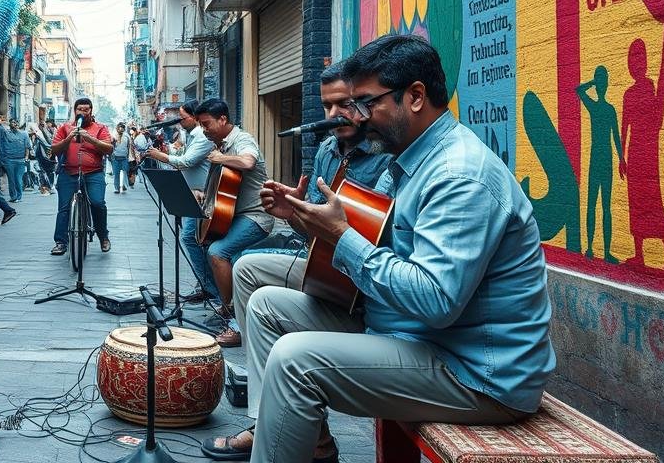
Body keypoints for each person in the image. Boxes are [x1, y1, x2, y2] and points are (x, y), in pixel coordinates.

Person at [202, 34, 555, 462]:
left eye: (369, 103)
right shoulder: (407, 160)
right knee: (265, 305)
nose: (361, 117)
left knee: (296, 360)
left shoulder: (458, 175)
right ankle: (299, 439)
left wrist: (341, 236)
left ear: (416, 96)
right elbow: (370, 240)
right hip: (414, 335)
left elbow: (436, 300)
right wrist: (307, 220)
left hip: (477, 373)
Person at [224, 61, 394, 356]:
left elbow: (379, 232)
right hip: (323, 266)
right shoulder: (326, 151)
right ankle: (257, 373)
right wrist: (293, 213)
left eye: (344, 104)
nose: (333, 115)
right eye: (327, 106)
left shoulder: (385, 156)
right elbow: (313, 230)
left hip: (359, 275)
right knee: (245, 266)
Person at [189, 98, 272, 347]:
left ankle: (235, 319)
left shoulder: (241, 140)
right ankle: (230, 305)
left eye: (207, 124)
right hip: (235, 216)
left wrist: (220, 159)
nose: (204, 130)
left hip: (256, 216)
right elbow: (227, 189)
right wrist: (205, 195)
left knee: (217, 252)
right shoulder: (221, 145)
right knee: (203, 243)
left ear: (223, 120)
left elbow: (248, 162)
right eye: (201, 125)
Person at [141, 101, 218, 306]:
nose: (180, 122)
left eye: (183, 118)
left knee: (191, 239)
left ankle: (210, 287)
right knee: (195, 239)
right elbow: (182, 156)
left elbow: (187, 161)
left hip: (202, 196)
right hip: (191, 194)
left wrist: (162, 156)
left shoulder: (203, 137)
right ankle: (205, 285)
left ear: (195, 117)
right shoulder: (190, 136)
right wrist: (167, 153)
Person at [50, 98, 114, 255]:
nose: (83, 112)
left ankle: (103, 236)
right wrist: (69, 138)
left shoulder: (100, 128)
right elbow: (55, 150)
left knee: (98, 203)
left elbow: (109, 148)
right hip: (68, 172)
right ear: (75, 111)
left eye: (86, 110)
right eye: (80, 109)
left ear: (91, 111)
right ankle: (60, 242)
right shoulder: (65, 128)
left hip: (93, 173)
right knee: (63, 208)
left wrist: (89, 138)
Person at [2, 118, 29, 201]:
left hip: (20, 160)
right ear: (10, 125)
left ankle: (19, 196)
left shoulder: (24, 134)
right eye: (12, 122)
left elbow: (27, 146)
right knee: (11, 180)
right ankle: (13, 196)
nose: (14, 124)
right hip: (9, 160)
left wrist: (26, 157)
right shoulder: (6, 134)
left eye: (16, 122)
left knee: (18, 179)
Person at [110, 122, 131, 193]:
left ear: (124, 129)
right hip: (115, 157)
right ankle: (117, 188)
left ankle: (123, 185)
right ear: (117, 128)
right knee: (116, 173)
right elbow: (111, 146)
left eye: (122, 128)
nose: (120, 129)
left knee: (125, 172)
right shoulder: (114, 136)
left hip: (124, 157)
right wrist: (111, 155)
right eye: (119, 127)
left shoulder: (127, 136)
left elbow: (129, 147)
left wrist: (129, 157)